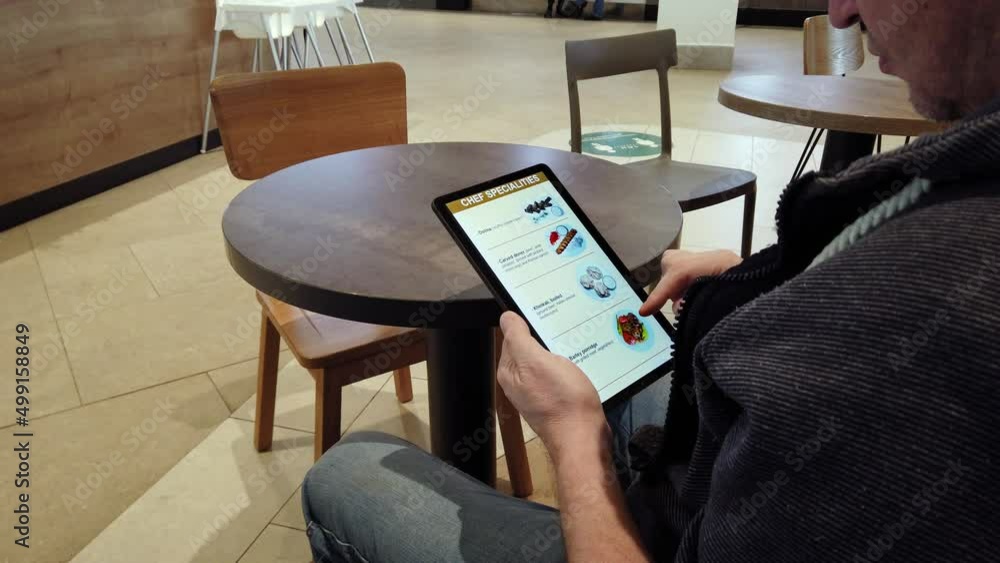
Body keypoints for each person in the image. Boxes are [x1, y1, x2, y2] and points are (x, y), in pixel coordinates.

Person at [301, 1, 1000, 561]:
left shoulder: (933, 322)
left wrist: (574, 441)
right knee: (627, 358)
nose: (841, 14)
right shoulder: (965, 187)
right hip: (709, 463)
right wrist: (766, 279)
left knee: (349, 469)